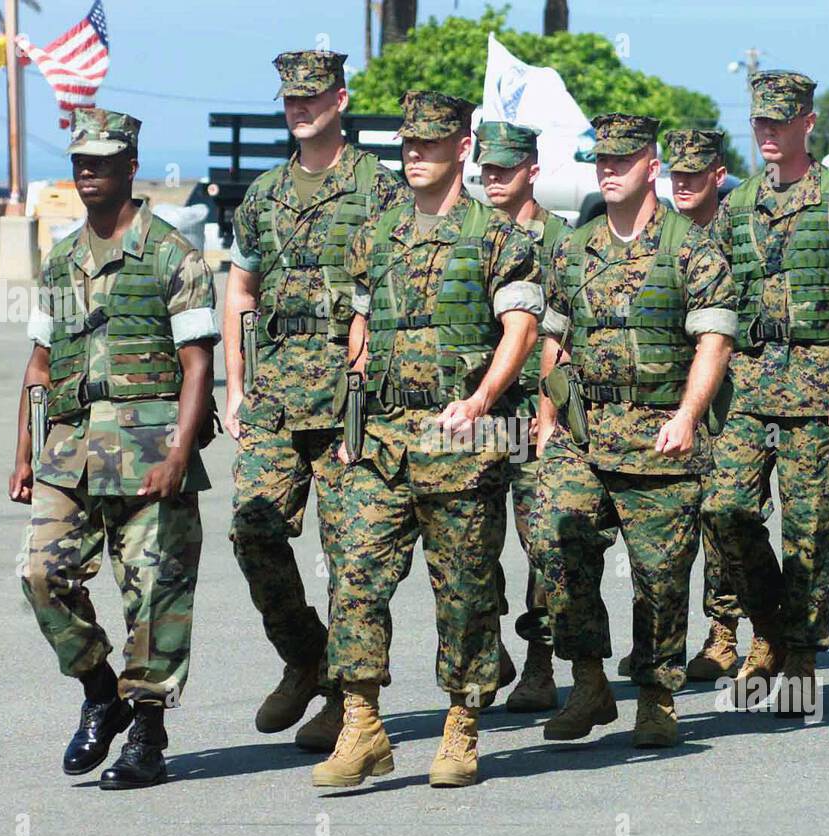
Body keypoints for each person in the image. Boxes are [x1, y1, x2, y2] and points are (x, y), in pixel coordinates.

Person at [311, 90, 542, 788]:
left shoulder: (497, 236)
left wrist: (480, 401)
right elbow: (356, 331)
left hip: (458, 437)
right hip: (381, 436)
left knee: (466, 592)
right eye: (408, 145)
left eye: (431, 145)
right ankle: (362, 726)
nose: (416, 156)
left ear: (461, 149)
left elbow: (521, 330)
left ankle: (462, 727)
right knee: (354, 575)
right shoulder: (376, 236)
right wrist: (350, 423)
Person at [9, 109, 219, 790]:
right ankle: (101, 690)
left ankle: (148, 734)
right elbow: (39, 367)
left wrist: (181, 453)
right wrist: (23, 453)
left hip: (152, 447)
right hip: (69, 451)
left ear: (132, 164)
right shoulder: (61, 259)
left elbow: (196, 364)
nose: (88, 171)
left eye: (102, 160)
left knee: (154, 594)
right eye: (79, 162)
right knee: (40, 575)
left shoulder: (171, 255)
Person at [533, 113, 737, 747]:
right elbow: (555, 336)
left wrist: (687, 415)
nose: (610, 170)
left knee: (660, 575)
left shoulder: (691, 247)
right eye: (603, 161)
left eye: (624, 160)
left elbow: (714, 341)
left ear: (653, 166)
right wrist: (545, 418)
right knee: (554, 543)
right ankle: (590, 681)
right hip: (584, 432)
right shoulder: (574, 246)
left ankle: (656, 694)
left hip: (658, 436)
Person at [225, 50, 407, 752]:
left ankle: (345, 698)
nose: (299, 108)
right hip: (273, 397)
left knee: (353, 554)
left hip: (347, 402)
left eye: (312, 98)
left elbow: (392, 291)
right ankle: (305, 655)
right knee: (253, 531)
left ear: (340, 99)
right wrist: (236, 388)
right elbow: (240, 290)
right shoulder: (264, 193)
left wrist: (366, 372)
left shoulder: (378, 188)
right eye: (290, 99)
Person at [704, 71, 829, 715]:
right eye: (760, 121)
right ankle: (768, 627)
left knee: (811, 531)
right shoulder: (735, 206)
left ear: (807, 124)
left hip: (820, 394)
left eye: (780, 122)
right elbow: (709, 302)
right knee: (725, 512)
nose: (767, 132)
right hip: (746, 391)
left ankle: (803, 657)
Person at [475, 119, 580, 712]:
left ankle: (540, 661)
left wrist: (555, 411)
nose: (494, 179)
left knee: (545, 544)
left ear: (530, 171)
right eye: (486, 168)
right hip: (478, 415)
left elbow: (567, 331)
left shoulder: (563, 241)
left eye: (505, 169)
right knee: (470, 541)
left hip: (538, 416)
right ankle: (486, 644)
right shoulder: (464, 235)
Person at [656, 127, 742, 683]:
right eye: (676, 174)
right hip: (671, 393)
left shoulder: (741, 230)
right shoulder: (659, 234)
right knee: (674, 521)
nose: (683, 184)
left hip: (737, 395)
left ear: (717, 175)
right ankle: (677, 641)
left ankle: (730, 626)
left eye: (695, 174)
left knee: (725, 514)